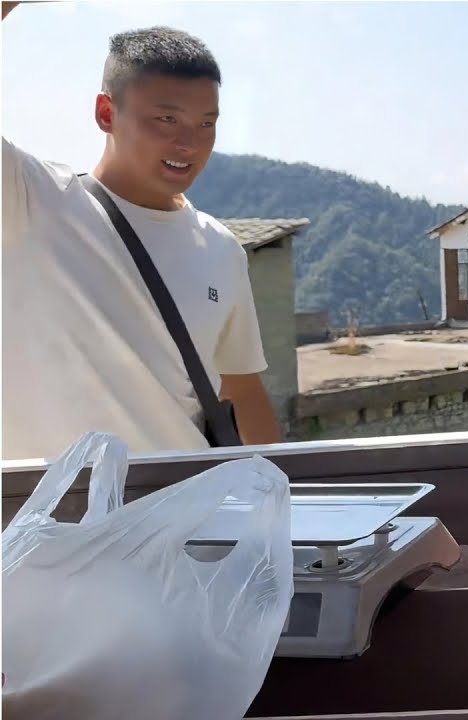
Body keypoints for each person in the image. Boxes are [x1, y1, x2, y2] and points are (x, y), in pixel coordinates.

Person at [2, 4, 282, 460]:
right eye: (166, 119)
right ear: (106, 113)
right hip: (53, 524)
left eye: (206, 123)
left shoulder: (221, 248)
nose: (189, 143)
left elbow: (241, 388)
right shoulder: (30, 200)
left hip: (192, 519)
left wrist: (292, 498)